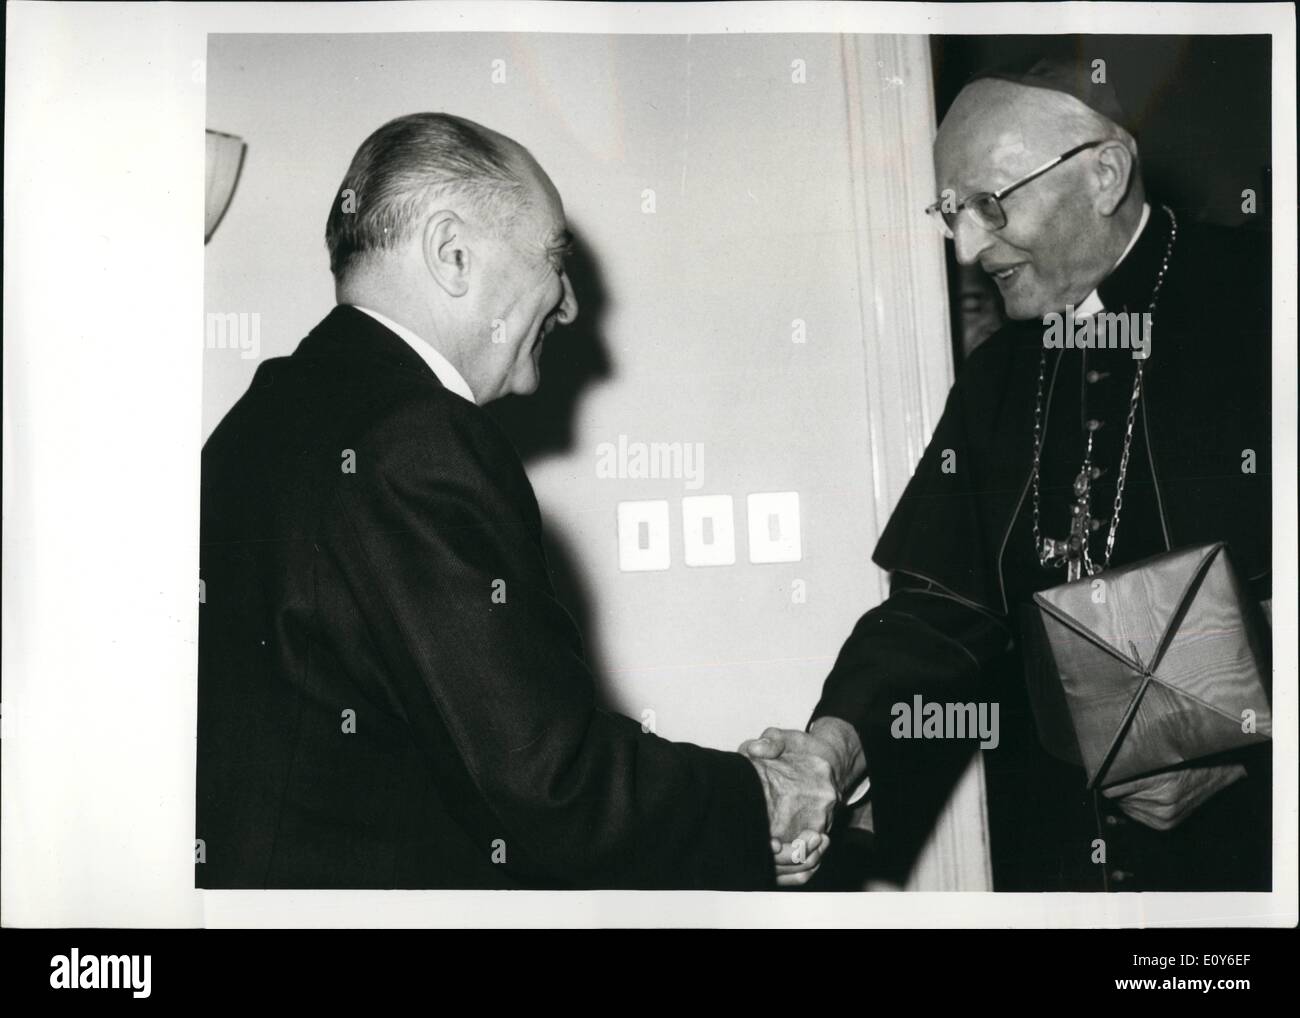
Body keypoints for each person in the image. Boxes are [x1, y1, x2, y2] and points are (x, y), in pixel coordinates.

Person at [196, 113, 835, 890]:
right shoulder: (418, 437)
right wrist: (758, 802)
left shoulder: (259, 420)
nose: (567, 306)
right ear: (453, 253)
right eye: (554, 261)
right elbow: (549, 787)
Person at [743, 56, 1271, 891]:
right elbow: (941, 612)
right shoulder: (998, 377)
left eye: (989, 205)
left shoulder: (1264, 298)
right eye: (951, 214)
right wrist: (833, 749)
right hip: (1061, 861)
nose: (965, 247)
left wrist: (1249, 747)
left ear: (1103, 173)